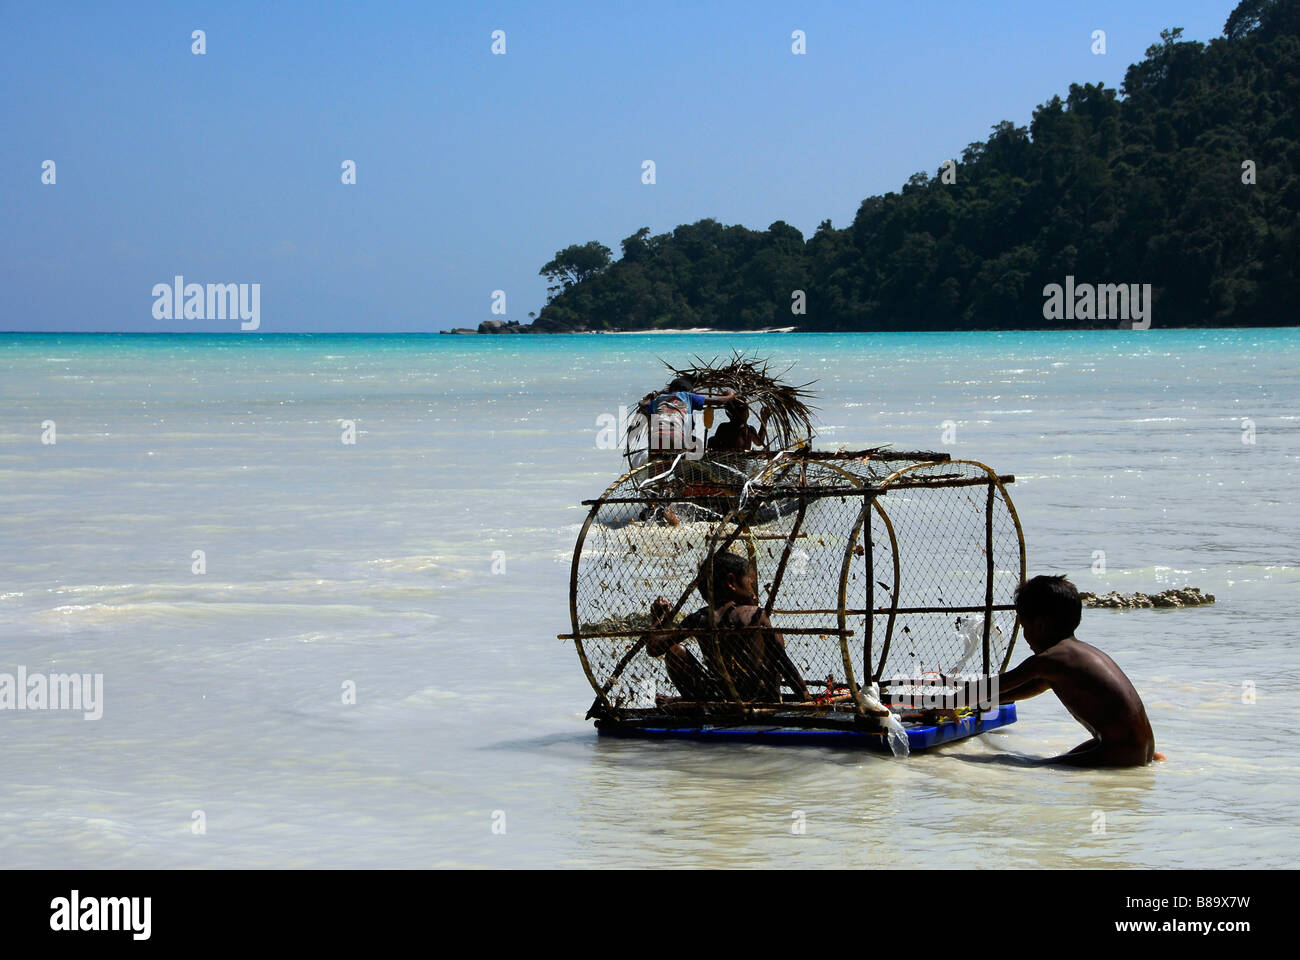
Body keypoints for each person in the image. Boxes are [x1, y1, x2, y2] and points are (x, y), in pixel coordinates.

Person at [976, 575, 1165, 767]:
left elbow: (995, 686)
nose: (1025, 635)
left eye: (1024, 627)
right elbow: (1037, 686)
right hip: (1139, 747)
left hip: (1119, 752)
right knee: (1056, 761)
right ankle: (1150, 759)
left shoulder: (1049, 660)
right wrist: (987, 701)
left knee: (1030, 766)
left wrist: (949, 702)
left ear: (1040, 626)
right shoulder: (1077, 654)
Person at [643, 551, 810, 703]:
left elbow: (653, 648)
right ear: (732, 582)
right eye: (750, 584)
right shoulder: (755, 615)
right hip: (761, 700)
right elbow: (783, 662)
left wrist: (658, 619)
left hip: (722, 700)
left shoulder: (700, 618)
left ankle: (696, 704)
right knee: (775, 637)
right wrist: (806, 698)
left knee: (675, 652)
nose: (754, 593)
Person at [636, 376, 736, 455]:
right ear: (685, 390)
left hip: (655, 441)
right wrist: (730, 395)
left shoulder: (657, 400)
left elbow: (642, 404)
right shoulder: (687, 396)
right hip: (675, 438)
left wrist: (649, 398)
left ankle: (658, 474)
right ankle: (690, 475)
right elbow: (718, 401)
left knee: (659, 457)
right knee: (697, 443)